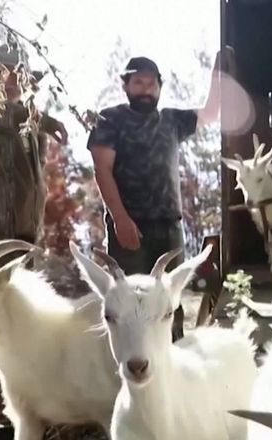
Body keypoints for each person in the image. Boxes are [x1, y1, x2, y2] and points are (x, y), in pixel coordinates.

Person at [87, 48, 234, 341]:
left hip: (169, 228)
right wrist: (120, 219)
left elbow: (211, 112)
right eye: (138, 83)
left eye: (152, 83)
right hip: (130, 228)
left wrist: (219, 65)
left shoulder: (171, 120)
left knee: (168, 307)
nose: (146, 89)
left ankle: (172, 370)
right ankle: (128, 376)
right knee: (131, 305)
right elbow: (102, 170)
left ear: (159, 86)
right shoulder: (110, 120)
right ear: (126, 85)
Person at [0, 43, 69, 245]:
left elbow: (37, 175)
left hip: (26, 225)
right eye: (4, 73)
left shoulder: (29, 117)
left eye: (18, 76)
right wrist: (44, 122)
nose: (11, 81)